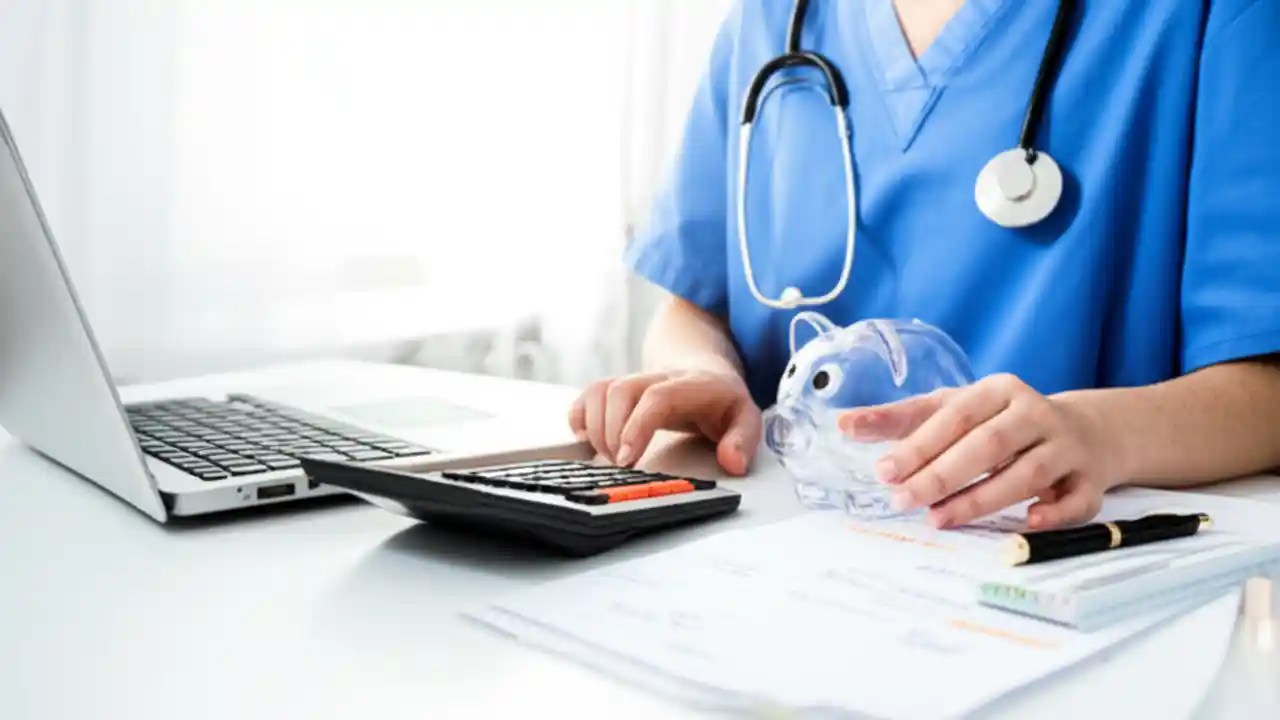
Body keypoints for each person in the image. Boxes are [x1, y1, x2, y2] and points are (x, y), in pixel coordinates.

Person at [569, 0, 1280, 531]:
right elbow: (695, 305)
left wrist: (1101, 433)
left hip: (1046, 566)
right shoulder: (775, 16)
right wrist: (707, 374)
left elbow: (1265, 390)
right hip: (781, 554)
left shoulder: (1214, 16)